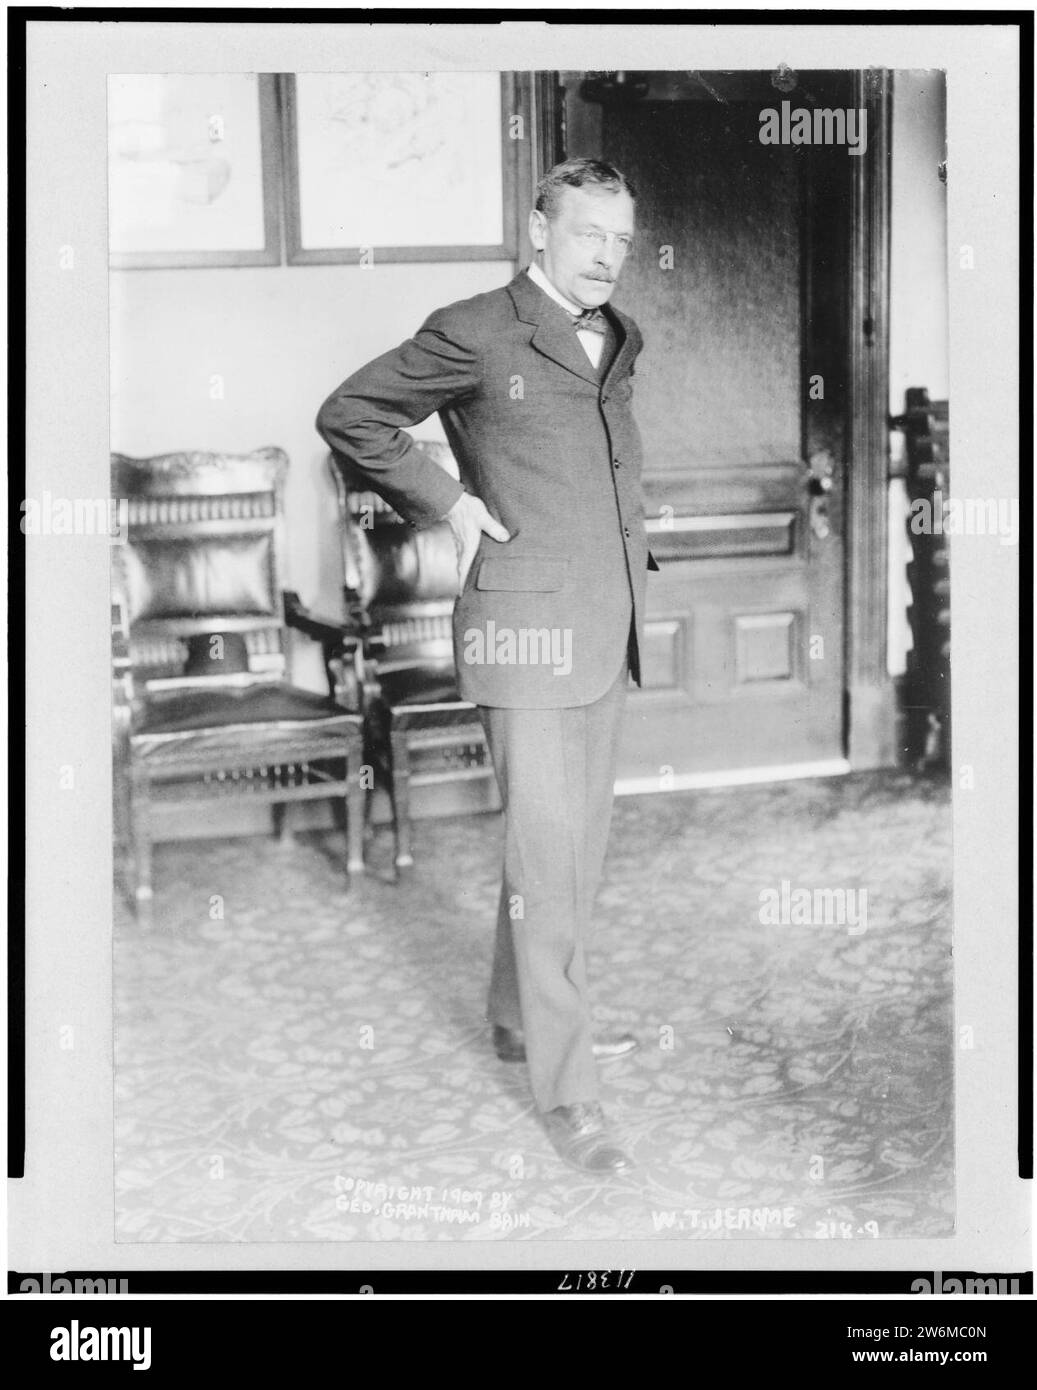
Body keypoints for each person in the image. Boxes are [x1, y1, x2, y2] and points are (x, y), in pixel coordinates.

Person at [316, 158, 657, 1174]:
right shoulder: (475, 328)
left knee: (568, 854)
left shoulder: (620, 335)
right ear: (538, 231)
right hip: (523, 635)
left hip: (604, 624)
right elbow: (351, 412)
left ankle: (518, 1015)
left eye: (621, 238)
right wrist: (449, 503)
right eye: (588, 232)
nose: (606, 254)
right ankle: (569, 1089)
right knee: (550, 862)